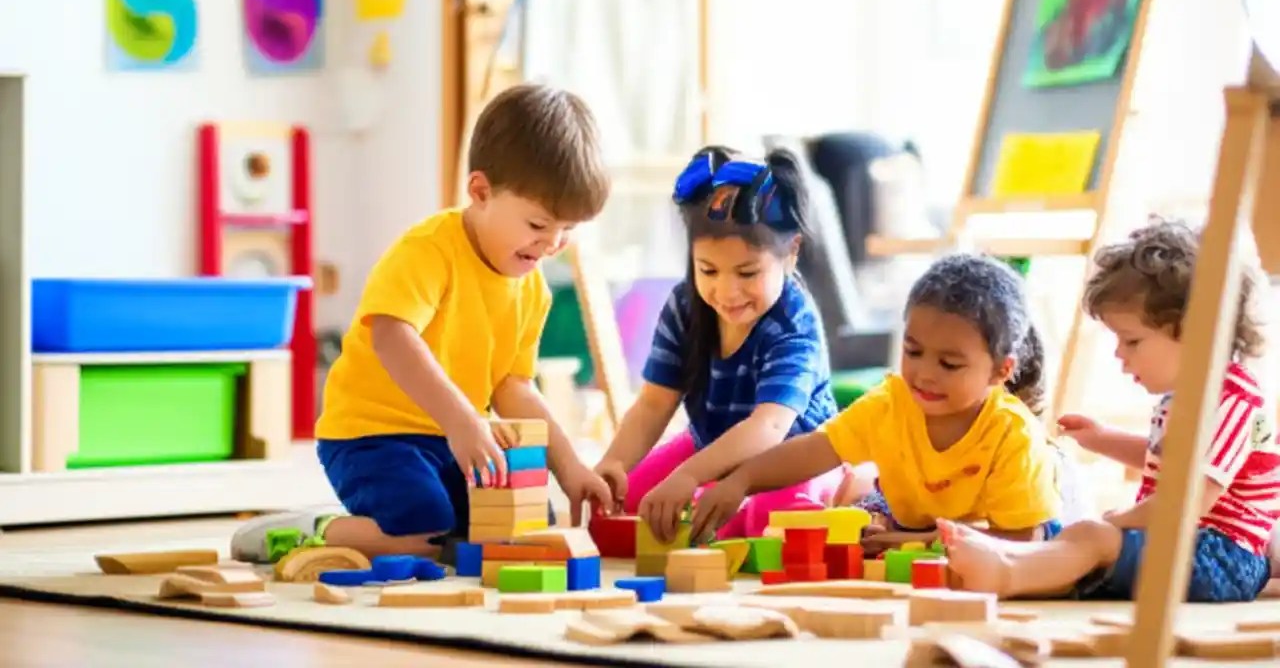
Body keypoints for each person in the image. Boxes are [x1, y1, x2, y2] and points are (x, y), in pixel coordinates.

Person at [230, 84, 614, 562]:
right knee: (426, 529)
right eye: (537, 226)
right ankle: (313, 529)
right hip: (372, 436)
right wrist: (462, 421)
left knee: (523, 528)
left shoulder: (530, 287)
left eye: (566, 231)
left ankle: (384, 521)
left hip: (455, 438)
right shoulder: (430, 249)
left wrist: (571, 467)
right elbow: (392, 337)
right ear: (480, 192)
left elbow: (513, 387)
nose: (551, 245)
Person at [943, 217, 1279, 602]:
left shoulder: (1232, 400)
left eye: (1132, 341)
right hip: (1185, 542)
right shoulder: (1181, 398)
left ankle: (1008, 573)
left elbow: (1187, 499)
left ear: (1198, 330)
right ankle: (1010, 559)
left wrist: (1115, 522)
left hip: (1223, 557)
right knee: (1069, 533)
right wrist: (1104, 440)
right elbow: (1170, 463)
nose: (1120, 354)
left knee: (1093, 538)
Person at [691, 252, 1064, 550]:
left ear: (1001, 371)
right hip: (915, 519)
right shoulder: (892, 401)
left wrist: (916, 543)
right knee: (855, 525)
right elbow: (818, 449)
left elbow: (1022, 540)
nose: (925, 373)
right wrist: (740, 480)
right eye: (913, 351)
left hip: (1004, 535)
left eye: (949, 364)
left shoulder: (1011, 434)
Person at [593, 146, 846, 542]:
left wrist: (690, 476)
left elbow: (770, 425)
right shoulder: (684, 305)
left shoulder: (792, 321)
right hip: (710, 446)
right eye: (707, 270)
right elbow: (654, 404)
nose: (727, 291)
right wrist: (614, 464)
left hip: (794, 457)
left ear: (791, 253)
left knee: (763, 523)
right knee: (627, 507)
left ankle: (849, 481)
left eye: (747, 272)